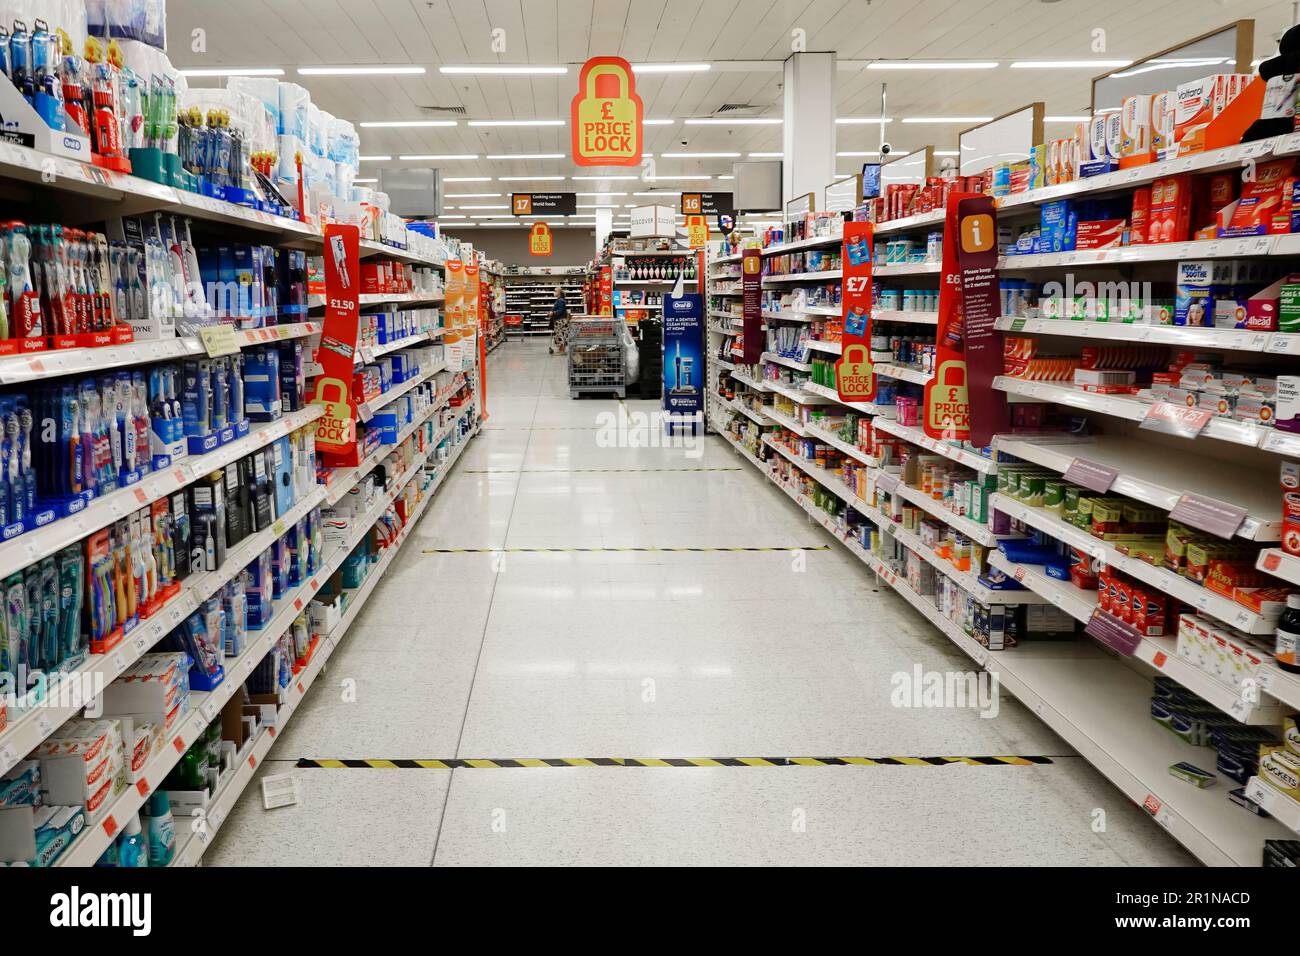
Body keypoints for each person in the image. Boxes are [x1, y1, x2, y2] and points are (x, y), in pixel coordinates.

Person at [548, 287, 569, 354]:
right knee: (562, 335)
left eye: (555, 291)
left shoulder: (560, 301)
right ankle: (562, 350)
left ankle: (561, 351)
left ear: (559, 293)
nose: (553, 292)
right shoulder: (560, 300)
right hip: (561, 320)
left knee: (559, 335)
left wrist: (553, 313)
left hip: (560, 321)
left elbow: (560, 311)